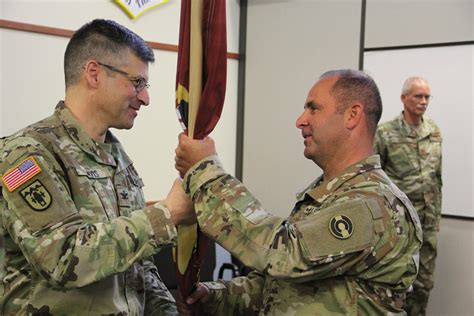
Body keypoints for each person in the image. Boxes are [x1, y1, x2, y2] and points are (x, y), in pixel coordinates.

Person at [171, 69, 422, 315]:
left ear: (352, 115)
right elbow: (283, 287)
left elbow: (286, 255)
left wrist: (205, 171)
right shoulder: (329, 194)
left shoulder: (373, 203)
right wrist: (214, 298)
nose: (300, 120)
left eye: (314, 108)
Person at [0, 19, 191, 315]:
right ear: (94, 73)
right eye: (137, 82)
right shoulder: (27, 155)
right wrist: (168, 213)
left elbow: (139, 266)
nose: (145, 98)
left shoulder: (117, 158)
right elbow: (63, 259)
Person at [374, 77, 442, 315]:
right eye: (418, 96)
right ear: (404, 98)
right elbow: (374, 179)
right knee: (396, 283)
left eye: (427, 97)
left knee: (424, 284)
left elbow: (437, 180)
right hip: (398, 225)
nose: (423, 102)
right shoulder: (385, 133)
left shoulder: (433, 131)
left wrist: (436, 219)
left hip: (428, 222)